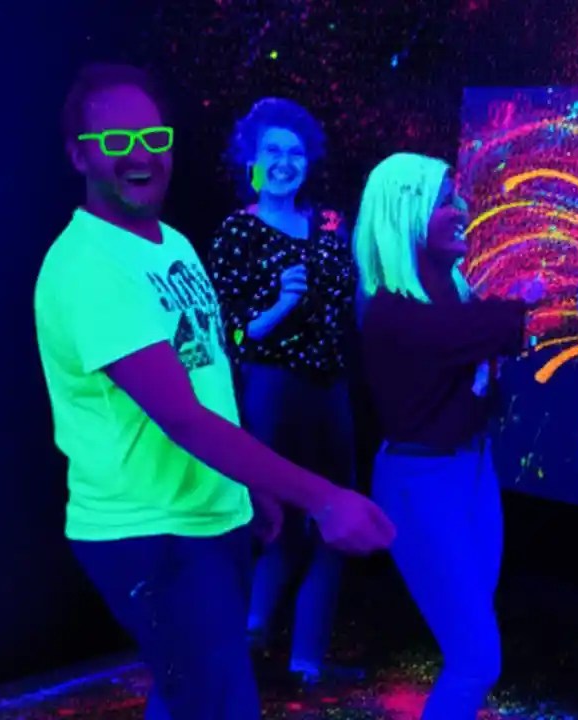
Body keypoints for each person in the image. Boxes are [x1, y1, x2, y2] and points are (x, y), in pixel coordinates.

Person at [34, 64, 394, 720]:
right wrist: (322, 498)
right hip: (151, 532)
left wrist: (245, 488)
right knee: (219, 701)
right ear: (78, 155)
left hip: (204, 516)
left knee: (191, 696)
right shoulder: (90, 268)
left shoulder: (168, 243)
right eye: (116, 141)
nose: (140, 155)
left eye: (153, 138)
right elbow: (184, 418)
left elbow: (209, 373)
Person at [354, 152, 541, 720]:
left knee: (471, 640)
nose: (461, 209)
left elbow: (475, 342)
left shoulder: (449, 291)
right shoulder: (391, 310)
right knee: (477, 660)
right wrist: (518, 306)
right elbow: (460, 334)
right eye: (443, 201)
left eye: (456, 197)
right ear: (405, 213)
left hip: (469, 470)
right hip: (422, 480)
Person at [207, 97, 362, 684]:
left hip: (330, 389)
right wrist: (279, 306)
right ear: (250, 158)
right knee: (276, 519)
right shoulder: (237, 230)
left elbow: (351, 307)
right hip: (272, 389)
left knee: (336, 518)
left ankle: (307, 663)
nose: (284, 161)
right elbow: (230, 333)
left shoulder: (327, 227)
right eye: (272, 150)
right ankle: (243, 641)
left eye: (295, 152)